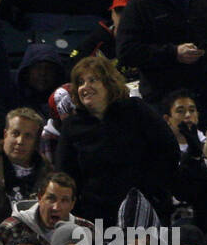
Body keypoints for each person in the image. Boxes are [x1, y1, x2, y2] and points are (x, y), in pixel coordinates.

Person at [56, 54, 179, 226]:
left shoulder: (137, 110)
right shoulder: (71, 126)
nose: (85, 87)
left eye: (93, 80)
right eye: (81, 82)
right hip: (96, 219)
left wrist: (152, 193)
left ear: (108, 83)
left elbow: (169, 151)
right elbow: (66, 174)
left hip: (145, 211)